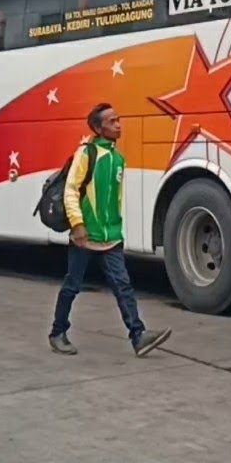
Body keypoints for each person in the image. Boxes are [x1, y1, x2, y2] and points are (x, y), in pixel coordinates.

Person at [48, 103, 172, 357]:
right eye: (112, 121)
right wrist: (78, 225)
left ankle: (138, 336)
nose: (119, 125)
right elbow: (71, 190)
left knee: (123, 285)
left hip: (111, 237)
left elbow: (114, 199)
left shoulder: (118, 159)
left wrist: (117, 228)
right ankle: (57, 332)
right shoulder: (87, 153)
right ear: (98, 128)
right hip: (85, 235)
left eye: (119, 119)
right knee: (72, 285)